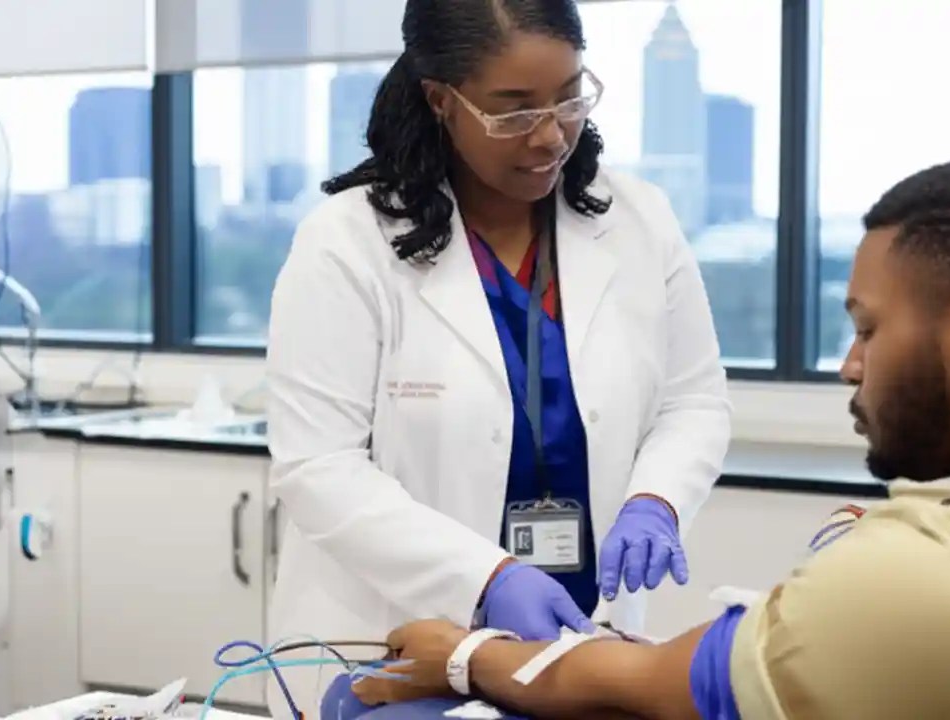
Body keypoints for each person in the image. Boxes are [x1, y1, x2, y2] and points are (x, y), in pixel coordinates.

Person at [348, 155, 950, 720]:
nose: (851, 365)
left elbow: (647, 685)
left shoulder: (929, 573)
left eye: (868, 329)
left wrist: (462, 656)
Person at [264, 0, 730, 712]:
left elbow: (693, 400)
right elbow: (318, 466)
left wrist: (655, 501)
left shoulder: (639, 220)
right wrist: (488, 576)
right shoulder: (347, 243)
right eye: (513, 112)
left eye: (568, 98)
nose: (550, 135)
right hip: (396, 639)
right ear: (442, 100)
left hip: (583, 643)